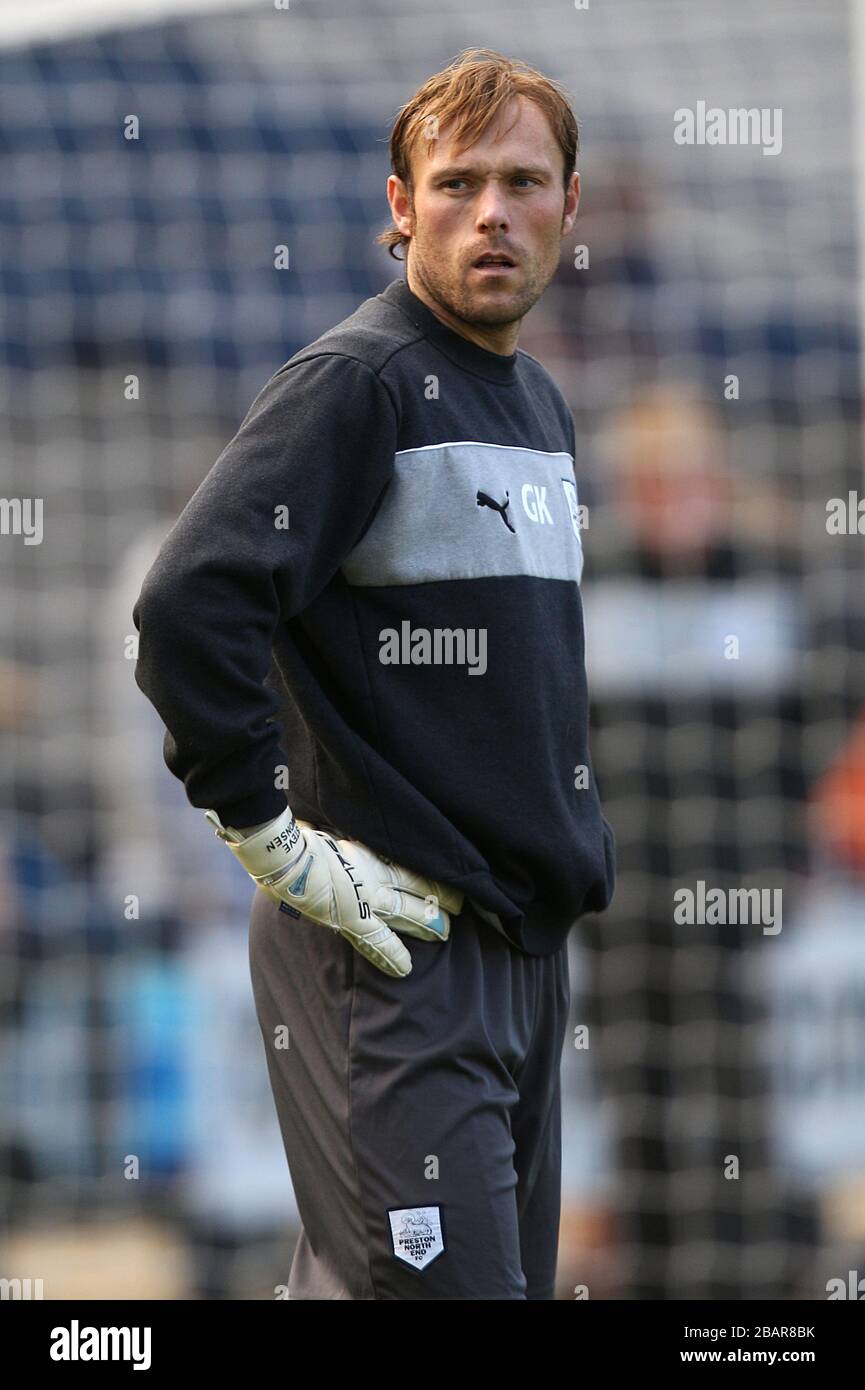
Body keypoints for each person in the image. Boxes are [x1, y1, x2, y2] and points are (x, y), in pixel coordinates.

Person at [132, 48, 614, 1300]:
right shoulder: (358, 383)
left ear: (573, 205)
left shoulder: (540, 404)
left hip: (515, 959)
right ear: (399, 209)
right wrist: (271, 838)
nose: (491, 212)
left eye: (522, 181)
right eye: (456, 185)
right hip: (390, 952)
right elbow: (189, 604)